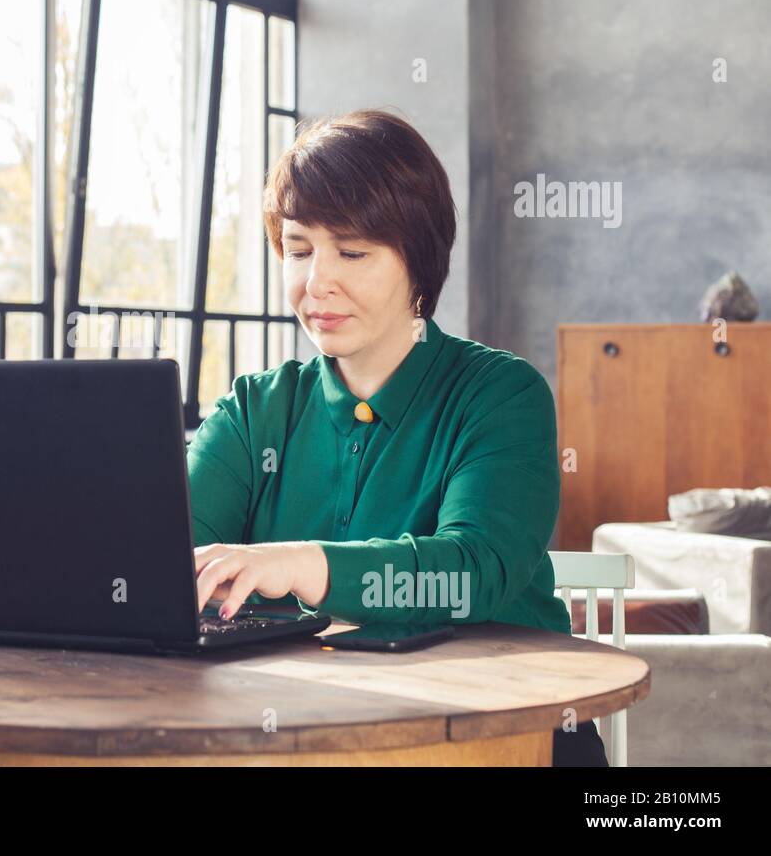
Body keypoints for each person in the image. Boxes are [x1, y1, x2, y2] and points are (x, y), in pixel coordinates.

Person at [186, 109, 608, 767]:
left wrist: (298, 564)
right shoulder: (253, 411)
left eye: (352, 251)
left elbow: (471, 572)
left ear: (420, 260)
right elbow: (161, 560)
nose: (316, 282)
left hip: (502, 735)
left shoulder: (501, 396)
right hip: (311, 735)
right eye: (298, 250)